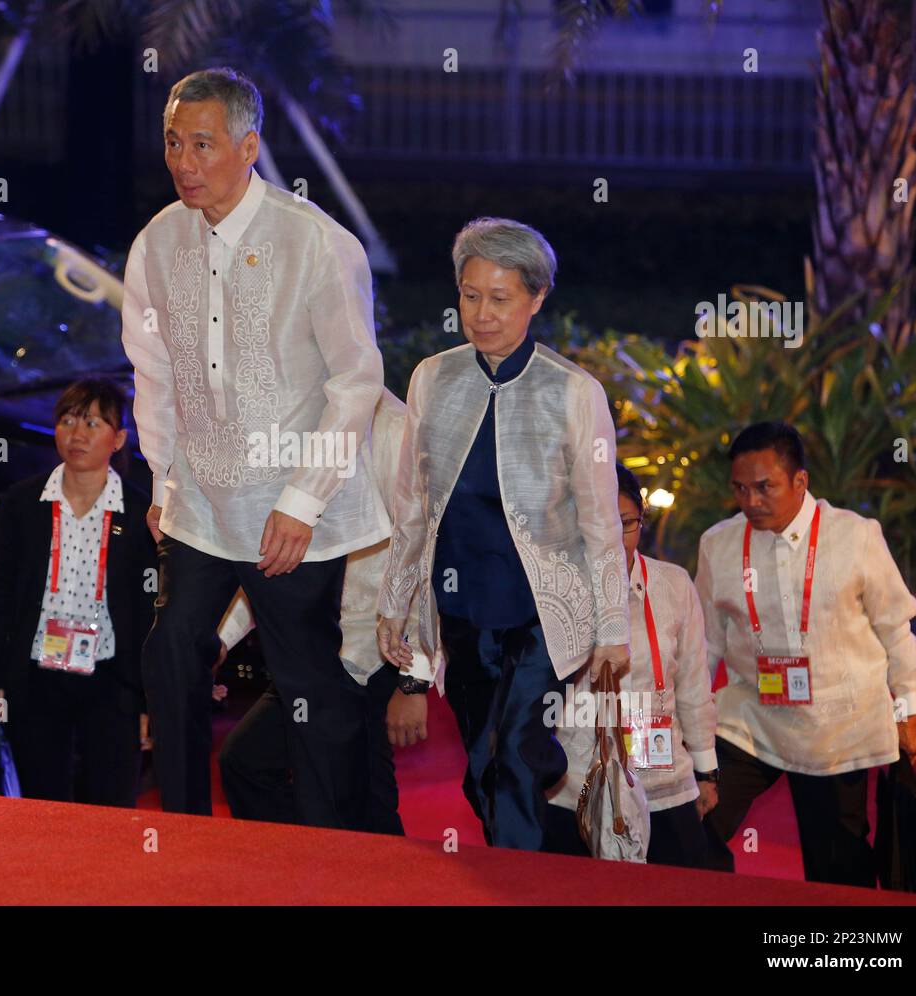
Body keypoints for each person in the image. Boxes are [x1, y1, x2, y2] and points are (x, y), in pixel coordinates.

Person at [121, 67, 387, 827]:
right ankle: (181, 824)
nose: (184, 162)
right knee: (172, 648)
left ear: (249, 147)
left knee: (305, 679)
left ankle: (328, 842)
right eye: (173, 143)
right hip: (202, 499)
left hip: (291, 503)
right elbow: (154, 373)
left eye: (203, 144)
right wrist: (164, 481)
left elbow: (356, 383)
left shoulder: (317, 242)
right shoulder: (157, 241)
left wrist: (303, 502)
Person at [378, 217, 630, 851]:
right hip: (461, 610)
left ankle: (518, 881)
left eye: (500, 298)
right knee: (483, 772)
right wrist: (396, 603)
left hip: (542, 615)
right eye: (470, 296)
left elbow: (602, 523)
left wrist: (613, 629)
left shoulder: (574, 392)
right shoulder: (432, 377)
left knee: (514, 755)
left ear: (536, 297)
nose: (481, 314)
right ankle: (533, 850)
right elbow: (412, 506)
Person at [696, 421, 916, 886]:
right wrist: (688, 722)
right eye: (740, 489)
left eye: (765, 487)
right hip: (752, 719)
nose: (750, 501)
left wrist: (908, 710)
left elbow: (895, 628)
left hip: (837, 729)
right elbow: (706, 644)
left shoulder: (855, 537)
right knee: (692, 824)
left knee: (838, 872)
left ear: (800, 481)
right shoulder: (718, 545)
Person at [215, 389, 428, 834]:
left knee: (361, 797)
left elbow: (426, 554)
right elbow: (270, 556)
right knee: (253, 763)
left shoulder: (394, 428)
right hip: (310, 646)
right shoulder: (286, 420)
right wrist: (219, 640)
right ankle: (309, 862)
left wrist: (414, 682)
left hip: (374, 650)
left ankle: (335, 864)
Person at [0, 379, 156, 805]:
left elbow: (149, 611)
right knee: (42, 805)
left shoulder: (142, 513)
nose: (77, 434)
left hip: (112, 677)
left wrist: (149, 701)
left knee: (110, 806)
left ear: (119, 439)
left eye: (93, 423)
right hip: (36, 673)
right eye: (68, 420)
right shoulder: (23, 503)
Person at [544, 464, 720, 868]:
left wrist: (707, 771)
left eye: (625, 524)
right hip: (574, 786)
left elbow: (694, 685)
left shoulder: (673, 585)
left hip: (662, 781)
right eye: (599, 525)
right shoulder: (554, 590)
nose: (613, 540)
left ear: (642, 519)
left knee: (681, 891)